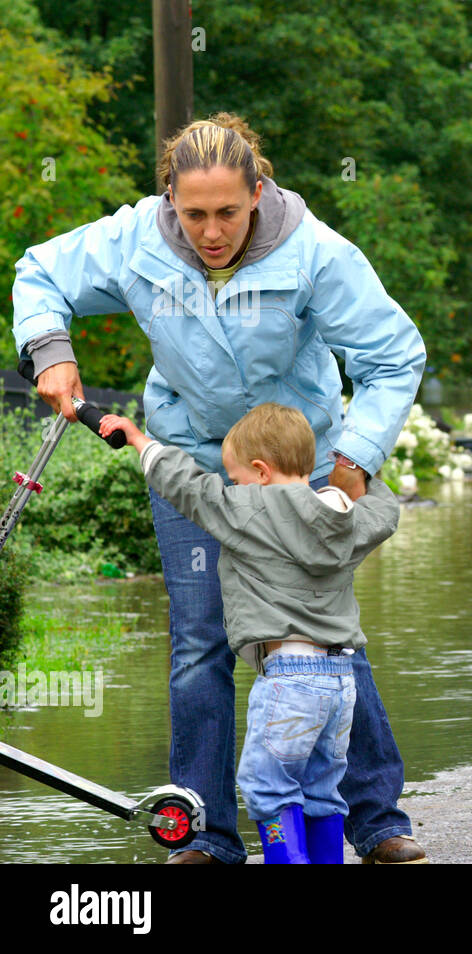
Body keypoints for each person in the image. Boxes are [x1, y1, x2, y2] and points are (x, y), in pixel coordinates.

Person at [11, 113, 428, 863]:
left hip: (300, 461)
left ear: (257, 193)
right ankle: (203, 834)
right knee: (201, 643)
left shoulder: (314, 252)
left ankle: (378, 823)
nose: (211, 231)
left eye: (228, 213)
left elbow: (395, 355)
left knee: (322, 636)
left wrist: (356, 459)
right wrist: (50, 350)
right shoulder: (135, 239)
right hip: (196, 459)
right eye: (193, 213)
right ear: (169, 199)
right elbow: (40, 270)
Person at [99, 403, 399, 863]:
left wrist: (139, 440)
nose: (233, 485)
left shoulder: (248, 509)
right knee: (322, 788)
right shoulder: (347, 518)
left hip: (288, 677)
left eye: (236, 477)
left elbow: (188, 488)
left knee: (266, 785)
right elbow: (385, 514)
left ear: (260, 473)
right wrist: (358, 478)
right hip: (341, 679)